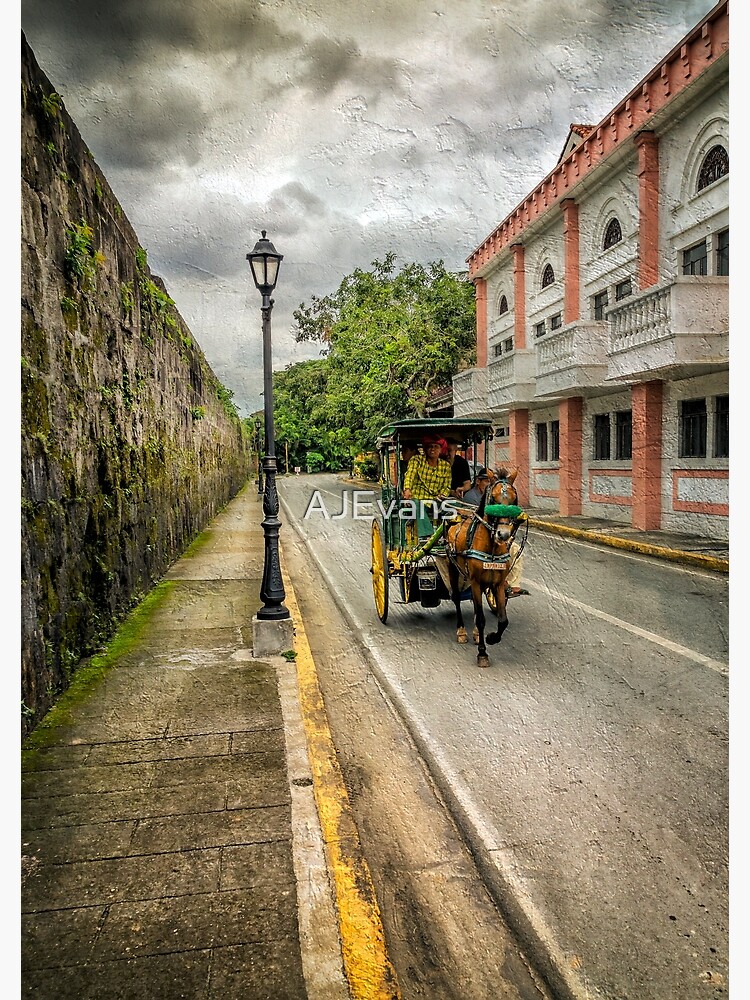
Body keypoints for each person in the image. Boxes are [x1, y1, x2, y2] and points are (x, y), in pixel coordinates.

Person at [463, 466, 529, 598]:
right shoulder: (472, 496)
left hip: (496, 534)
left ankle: (511, 583)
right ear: (478, 481)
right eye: (485, 481)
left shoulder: (499, 497)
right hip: (480, 534)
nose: (488, 484)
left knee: (515, 550)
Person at [403, 435, 451, 502]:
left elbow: (447, 486)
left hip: (437, 501)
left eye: (436, 446)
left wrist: (442, 495)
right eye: (430, 446)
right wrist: (407, 489)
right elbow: (410, 475)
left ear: (441, 450)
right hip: (418, 499)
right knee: (416, 505)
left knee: (457, 506)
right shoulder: (417, 459)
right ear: (425, 449)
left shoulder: (446, 466)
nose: (432, 449)